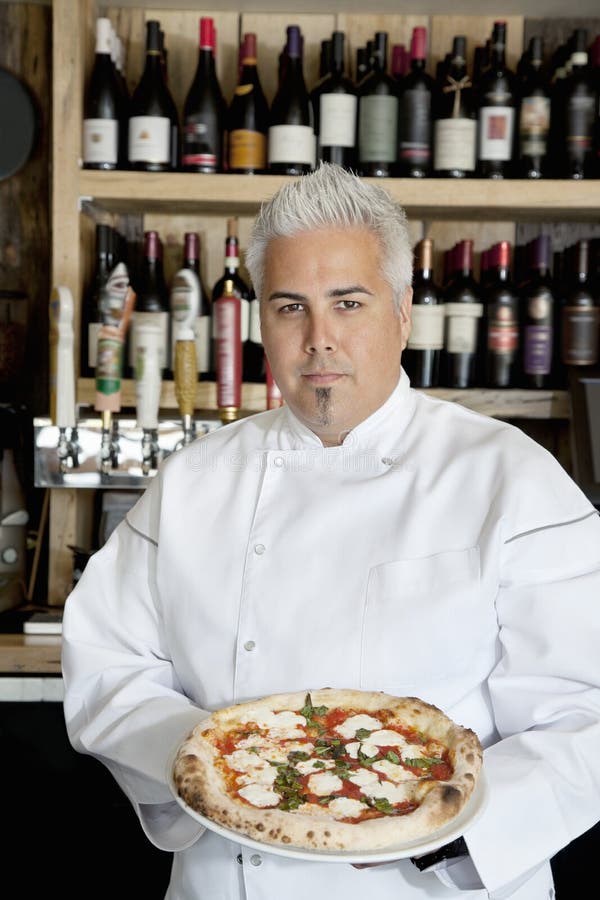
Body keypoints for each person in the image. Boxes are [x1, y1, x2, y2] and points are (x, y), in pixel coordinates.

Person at [62, 163, 600, 900]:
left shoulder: (511, 478)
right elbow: (107, 667)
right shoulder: (192, 482)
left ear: (403, 311)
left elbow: (585, 712)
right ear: (260, 321)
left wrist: (430, 830)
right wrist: (220, 767)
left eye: (348, 302)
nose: (320, 339)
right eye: (290, 308)